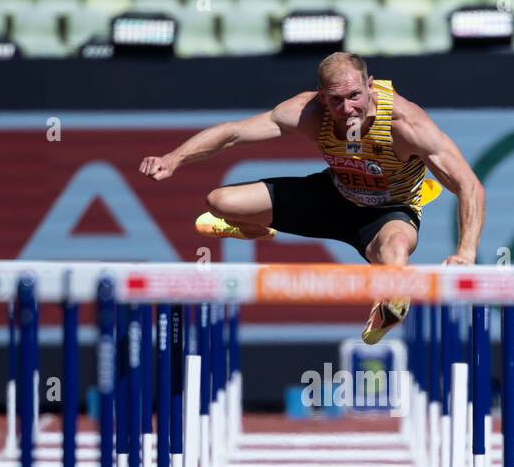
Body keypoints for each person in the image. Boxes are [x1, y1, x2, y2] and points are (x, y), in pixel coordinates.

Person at [138, 51, 486, 344]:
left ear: (370, 86)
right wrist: (174, 159)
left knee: (395, 250)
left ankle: (389, 307)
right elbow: (233, 135)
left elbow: (469, 185)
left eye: (355, 97)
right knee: (219, 202)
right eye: (336, 100)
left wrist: (465, 253)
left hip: (389, 212)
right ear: (321, 96)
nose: (347, 108)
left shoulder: (405, 124)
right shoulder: (308, 112)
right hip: (330, 198)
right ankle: (256, 229)